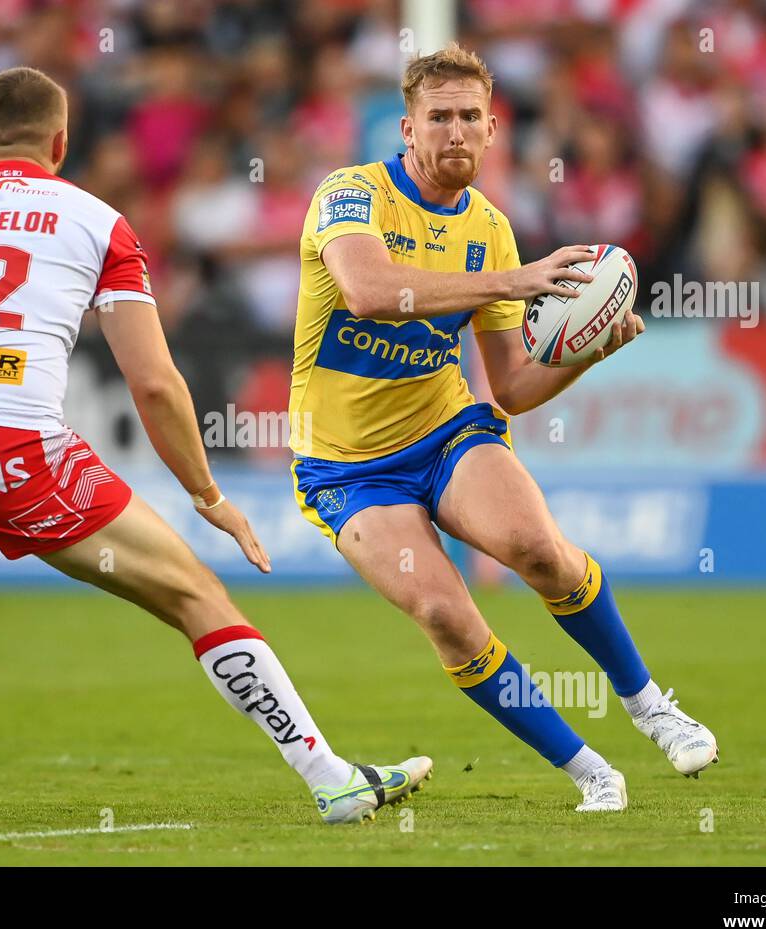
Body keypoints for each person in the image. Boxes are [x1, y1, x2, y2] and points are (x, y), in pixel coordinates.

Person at [0, 66, 430, 827]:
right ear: (61, 144)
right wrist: (210, 497)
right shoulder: (96, 220)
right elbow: (156, 384)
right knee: (196, 594)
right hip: (12, 443)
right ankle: (333, 779)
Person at [288, 44, 718, 812]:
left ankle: (652, 707)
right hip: (345, 466)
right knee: (445, 614)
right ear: (409, 128)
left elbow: (514, 386)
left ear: (492, 131)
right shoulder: (349, 195)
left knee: (538, 552)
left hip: (446, 427)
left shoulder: (489, 227)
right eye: (438, 117)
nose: (454, 132)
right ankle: (590, 770)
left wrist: (592, 352)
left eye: (469, 119)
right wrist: (513, 281)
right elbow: (366, 291)